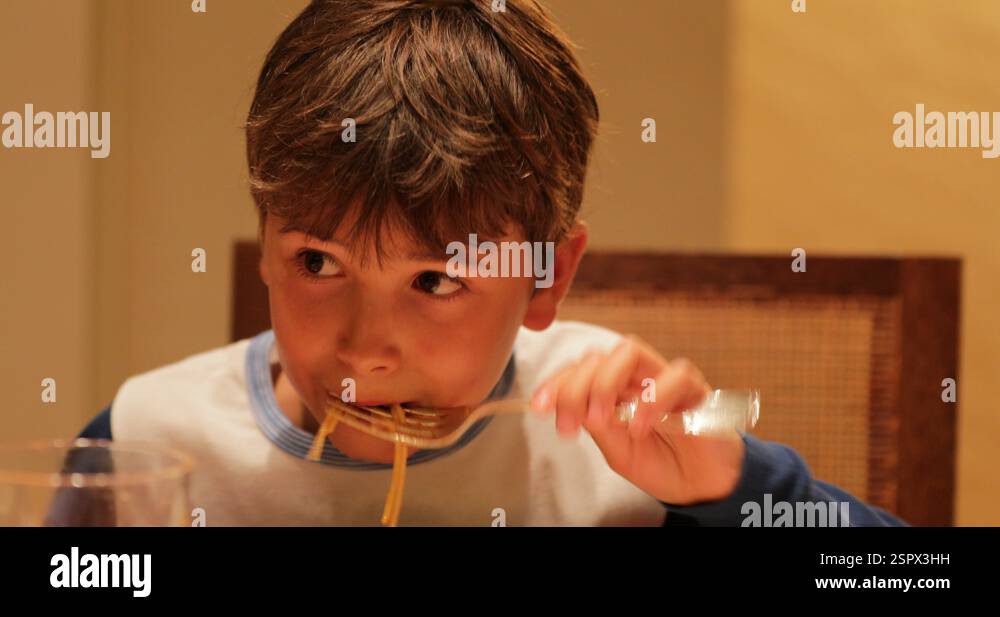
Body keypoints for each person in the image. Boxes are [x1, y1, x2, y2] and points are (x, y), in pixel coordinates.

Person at [78, 0, 904, 527]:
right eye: (317, 262)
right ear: (266, 244)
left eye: (436, 280)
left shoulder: (618, 447)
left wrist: (737, 493)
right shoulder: (148, 450)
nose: (367, 348)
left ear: (546, 276)